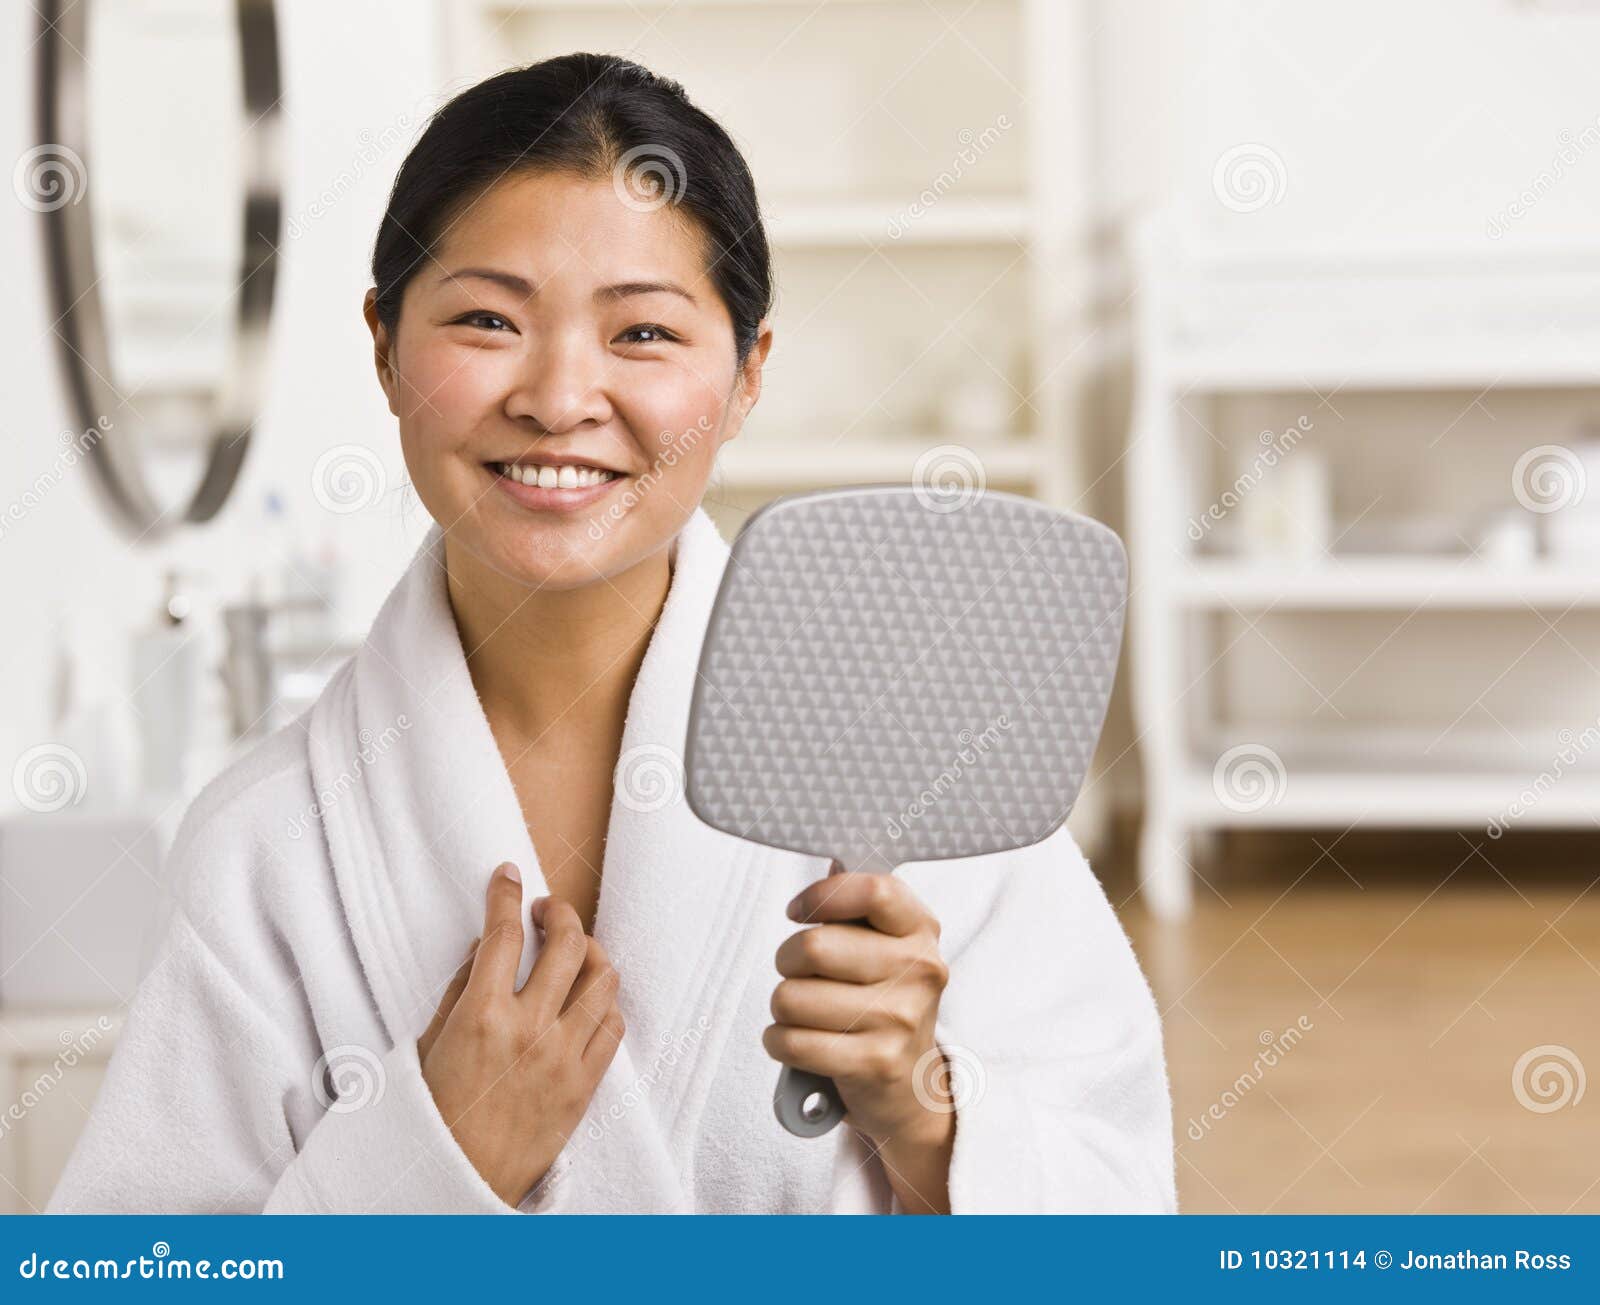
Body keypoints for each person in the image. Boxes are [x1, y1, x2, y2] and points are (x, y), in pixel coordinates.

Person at [48, 52, 1175, 1215]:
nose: (557, 395)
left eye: (640, 334)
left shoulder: (918, 761)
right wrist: (430, 1169)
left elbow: (1127, 1219)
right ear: (384, 345)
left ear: (746, 376)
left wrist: (932, 1117)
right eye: (487, 319)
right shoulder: (270, 844)